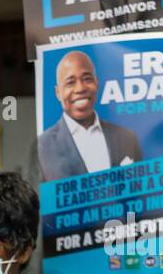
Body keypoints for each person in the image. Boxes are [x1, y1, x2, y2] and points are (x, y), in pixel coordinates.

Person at [38, 50, 144, 182]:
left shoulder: (127, 138)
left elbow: (141, 193)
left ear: (97, 83)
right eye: (70, 82)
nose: (80, 88)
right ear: (58, 92)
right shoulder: (42, 146)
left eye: (87, 79)